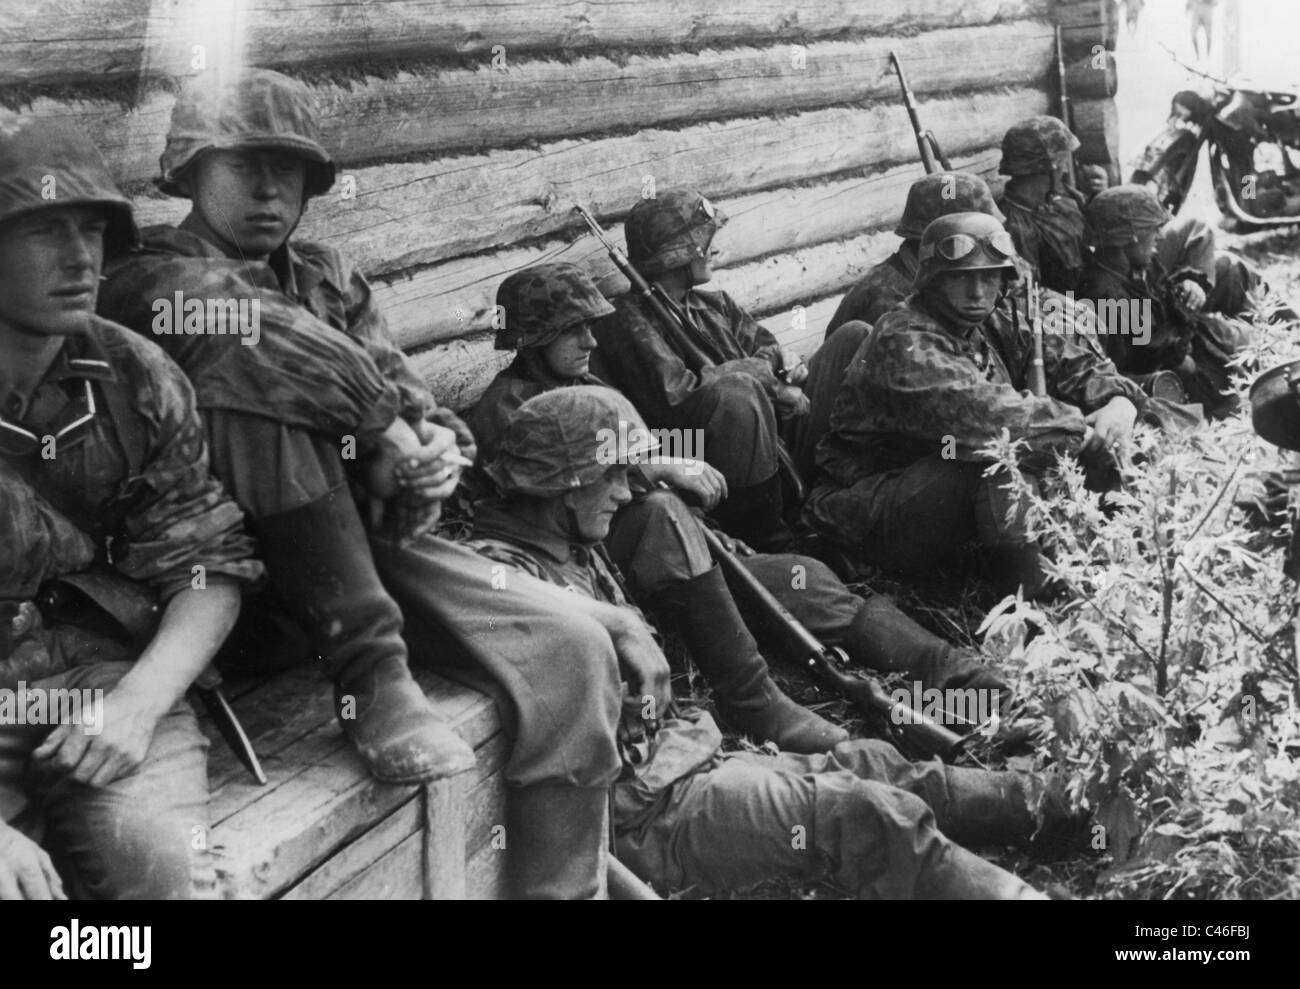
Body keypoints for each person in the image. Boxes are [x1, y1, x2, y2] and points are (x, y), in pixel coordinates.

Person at [98, 67, 663, 899]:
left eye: (288, 170)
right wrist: (386, 428)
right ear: (188, 172)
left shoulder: (326, 274)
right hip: (221, 592)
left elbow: (417, 400)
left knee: (572, 650)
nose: (269, 191)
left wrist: (428, 451)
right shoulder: (146, 278)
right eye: (242, 167)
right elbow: (255, 333)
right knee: (271, 411)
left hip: (359, 551)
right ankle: (375, 679)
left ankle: (564, 889)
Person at [468, 386, 1058, 900]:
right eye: (611, 477)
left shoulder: (565, 542)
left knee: (873, 762)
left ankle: (1052, 804)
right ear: (564, 483)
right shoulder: (498, 582)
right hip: (647, 815)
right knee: (862, 813)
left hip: (683, 762)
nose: (626, 493)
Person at [472, 264, 1005, 747]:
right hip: (617, 572)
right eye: (573, 329)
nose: (591, 339)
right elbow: (551, 497)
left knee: (806, 579)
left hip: (689, 549)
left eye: (590, 326)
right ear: (533, 337)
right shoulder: (506, 408)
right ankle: (755, 699)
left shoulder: (587, 383)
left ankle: (966, 682)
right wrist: (654, 471)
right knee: (661, 512)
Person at [0, 117, 264, 899]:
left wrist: (139, 704)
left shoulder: (134, 373)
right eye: (44, 231)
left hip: (105, 682)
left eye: (91, 230)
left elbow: (206, 566)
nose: (80, 257)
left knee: (169, 875)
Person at [805, 212, 1148, 598]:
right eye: (962, 278)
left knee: (1055, 440)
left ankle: (1115, 549)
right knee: (996, 457)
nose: (978, 292)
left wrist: (1118, 400)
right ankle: (1038, 592)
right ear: (932, 279)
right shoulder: (903, 338)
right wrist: (1082, 430)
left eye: (989, 276)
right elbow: (987, 417)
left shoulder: (984, 321)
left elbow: (1070, 360)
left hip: (927, 487)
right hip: (862, 507)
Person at [590, 189, 809, 548]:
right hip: (687, 450)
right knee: (738, 393)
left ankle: (820, 511)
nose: (713, 251)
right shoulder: (626, 322)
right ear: (676, 256)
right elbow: (678, 396)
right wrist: (770, 380)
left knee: (850, 338)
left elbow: (766, 347)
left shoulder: (713, 304)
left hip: (764, 439)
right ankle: (771, 540)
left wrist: (787, 367)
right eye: (704, 244)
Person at [1079, 185, 1258, 418]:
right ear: (1130, 236)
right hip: (1167, 376)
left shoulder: (1134, 266)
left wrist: (1187, 285)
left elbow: (1160, 298)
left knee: (1254, 346)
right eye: (1154, 229)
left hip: (1185, 347)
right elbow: (1134, 362)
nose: (1161, 236)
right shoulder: (1106, 296)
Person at [997, 116, 1088, 295]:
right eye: (1062, 162)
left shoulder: (1063, 200)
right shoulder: (1013, 227)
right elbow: (1031, 294)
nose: (1065, 169)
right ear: (1048, 167)